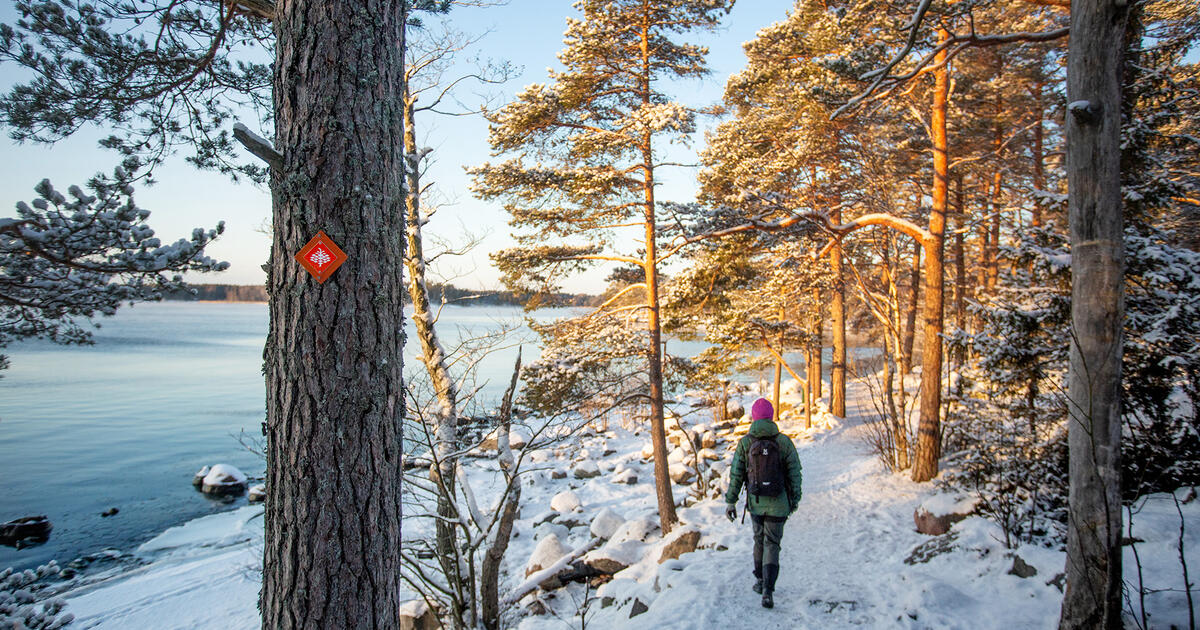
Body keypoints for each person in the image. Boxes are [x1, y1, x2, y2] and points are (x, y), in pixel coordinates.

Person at [724, 397, 802, 609]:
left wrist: (731, 501)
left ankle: (759, 580)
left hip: (756, 503)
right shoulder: (783, 442)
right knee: (772, 543)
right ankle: (768, 589)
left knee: (759, 540)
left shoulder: (746, 442)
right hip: (779, 503)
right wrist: (794, 499)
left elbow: (736, 475)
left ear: (754, 417)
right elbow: (795, 472)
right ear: (771, 416)